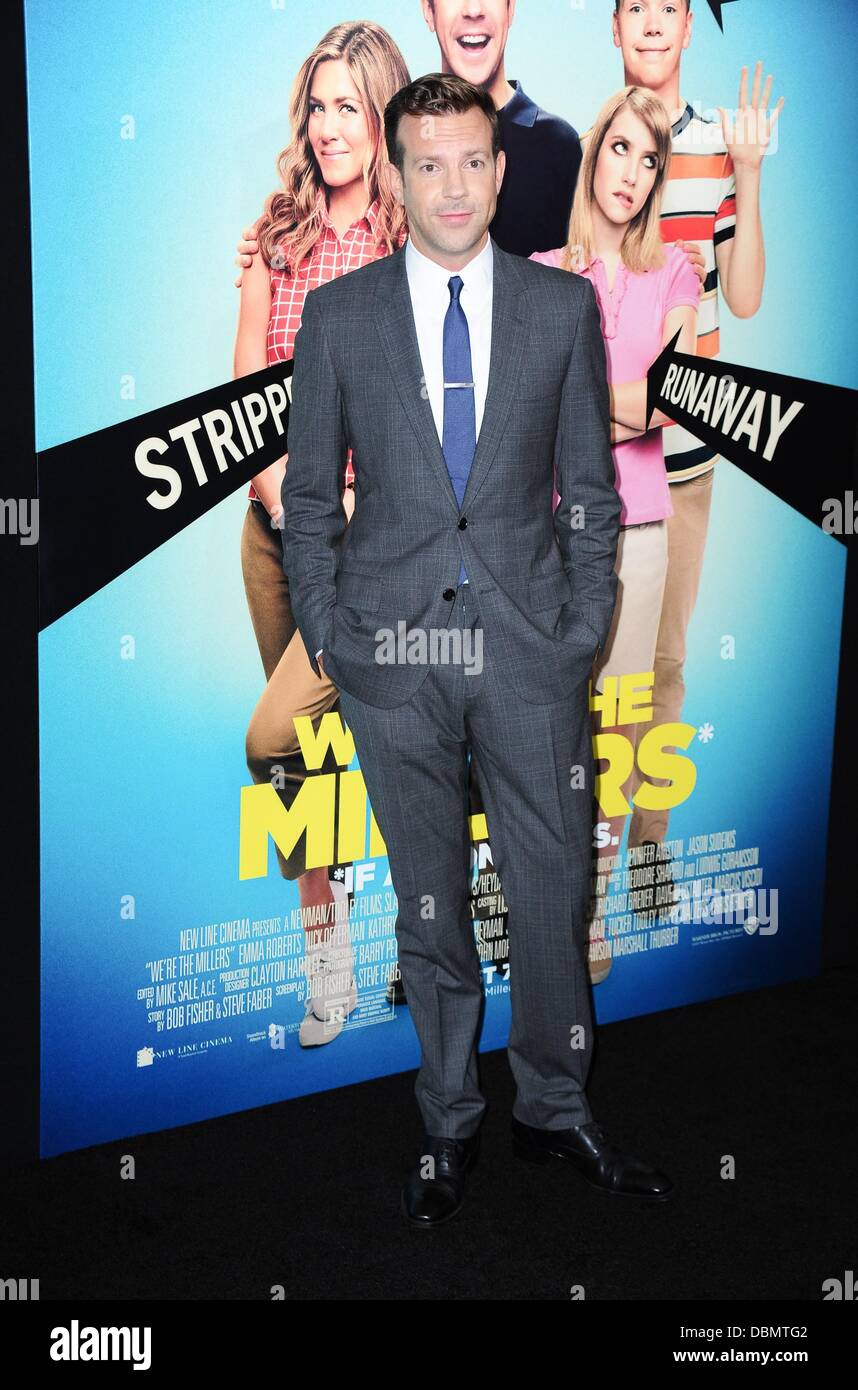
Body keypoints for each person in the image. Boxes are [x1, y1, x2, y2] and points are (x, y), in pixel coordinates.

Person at [281, 72, 674, 1227]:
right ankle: (448, 1120)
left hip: (529, 653)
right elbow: (310, 504)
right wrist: (333, 638)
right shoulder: (340, 318)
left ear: (501, 173)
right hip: (391, 658)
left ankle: (554, 1105)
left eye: (473, 160)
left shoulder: (559, 312)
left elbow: (592, 496)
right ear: (398, 180)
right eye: (429, 164)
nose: (454, 184)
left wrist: (578, 629)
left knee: (551, 895)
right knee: (430, 906)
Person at [233, 21, 409, 1047]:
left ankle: (424, 934)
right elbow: (245, 381)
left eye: (350, 105)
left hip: (366, 542)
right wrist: (274, 493)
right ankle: (328, 971)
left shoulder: (409, 242)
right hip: (270, 533)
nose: (330, 125)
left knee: (308, 736)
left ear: (382, 117)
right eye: (319, 105)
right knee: (303, 764)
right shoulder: (272, 233)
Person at [532, 85, 700, 983]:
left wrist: (579, 405)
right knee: (546, 727)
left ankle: (591, 909)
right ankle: (535, 901)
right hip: (550, 537)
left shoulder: (676, 275)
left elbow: (667, 404)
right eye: (620, 149)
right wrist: (613, 408)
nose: (631, 173)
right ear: (594, 152)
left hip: (639, 531)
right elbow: (522, 417)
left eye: (650, 159)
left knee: (621, 733)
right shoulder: (537, 270)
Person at [605, 0, 781, 858]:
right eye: (632, 7)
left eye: (666, 8)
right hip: (602, 462)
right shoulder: (601, 144)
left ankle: (649, 845)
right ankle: (580, 866)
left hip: (685, 456)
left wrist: (747, 175)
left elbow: (741, 299)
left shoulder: (717, 141)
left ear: (685, 27)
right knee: (594, 677)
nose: (649, 22)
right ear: (613, 26)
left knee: (665, 662)